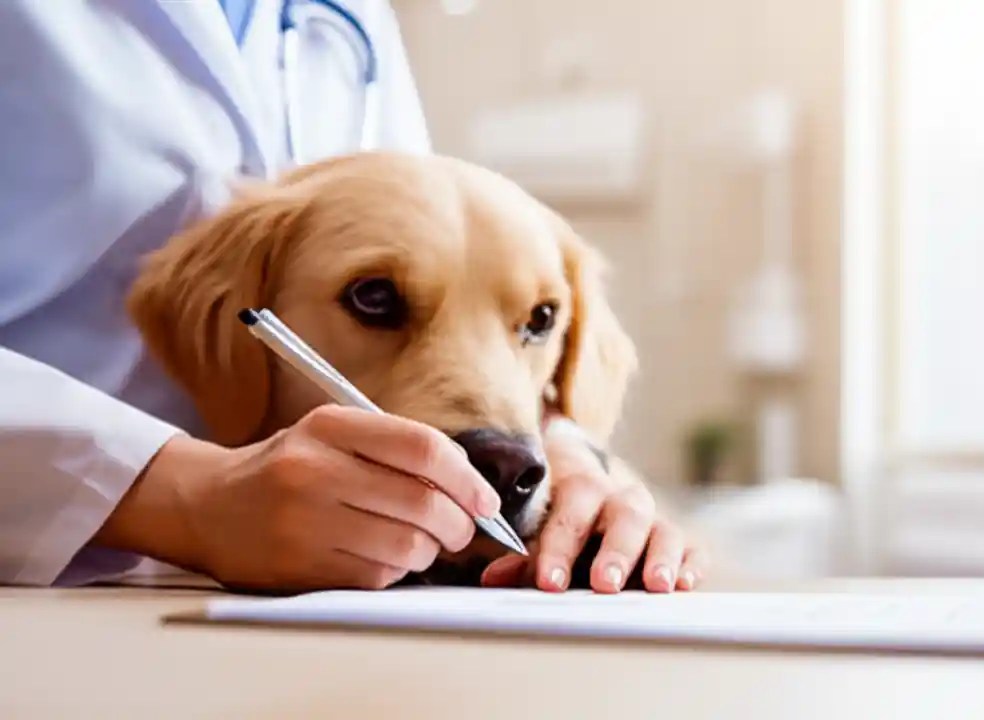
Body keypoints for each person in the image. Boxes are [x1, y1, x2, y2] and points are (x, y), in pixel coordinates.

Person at [0, 0, 705, 593]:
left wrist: (566, 458)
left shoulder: (355, 16)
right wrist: (187, 498)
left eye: (540, 320)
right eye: (377, 300)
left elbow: (463, 301)